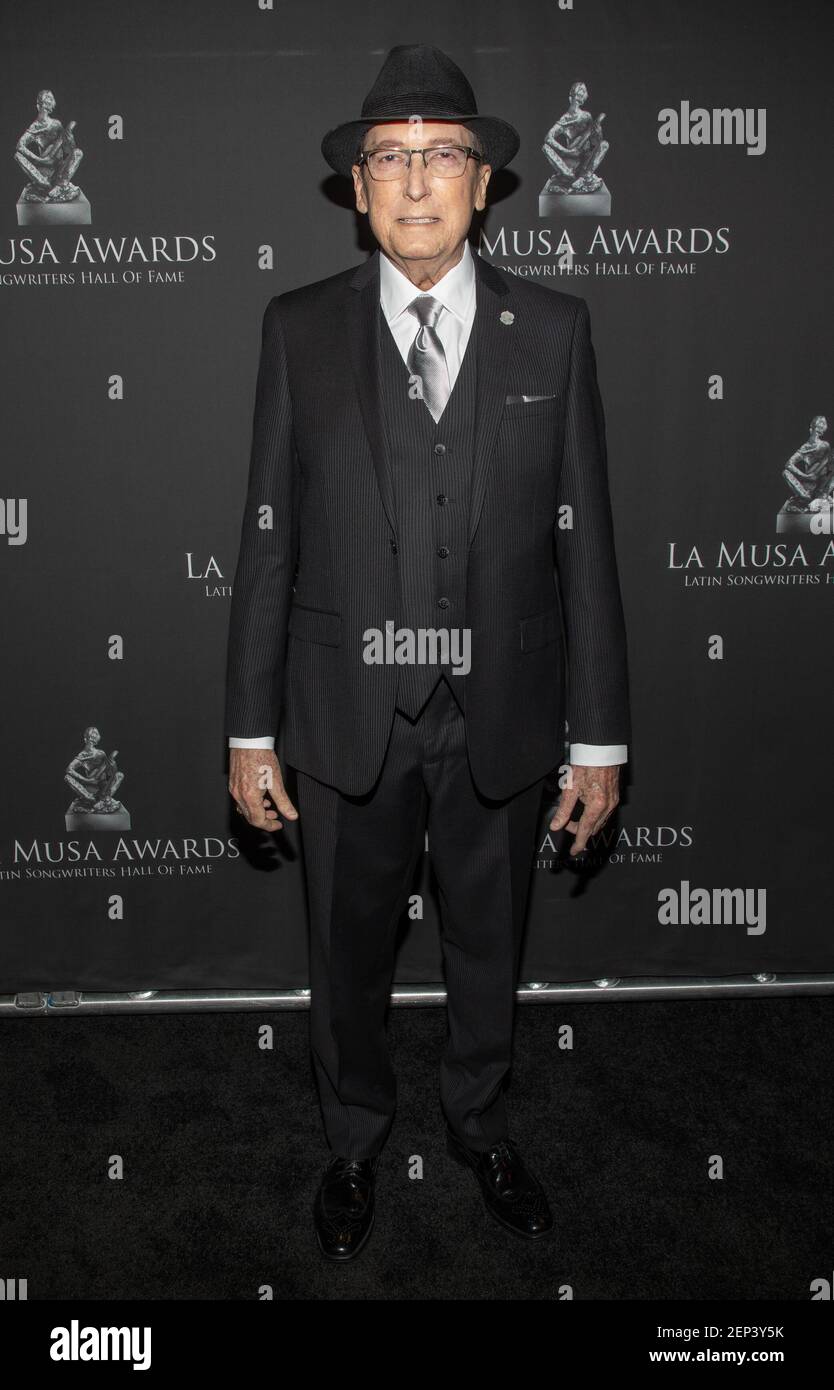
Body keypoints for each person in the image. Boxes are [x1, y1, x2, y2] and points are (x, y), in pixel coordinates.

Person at [224, 44, 631, 1261]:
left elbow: (590, 547)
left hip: (502, 710)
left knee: (487, 945)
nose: (414, 181)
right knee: (345, 953)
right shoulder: (297, 330)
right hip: (346, 715)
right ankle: (353, 1135)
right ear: (356, 187)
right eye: (388, 158)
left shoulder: (554, 332)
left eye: (442, 156)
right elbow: (267, 538)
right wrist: (250, 728)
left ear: (486, 183)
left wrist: (599, 735)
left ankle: (478, 1118)